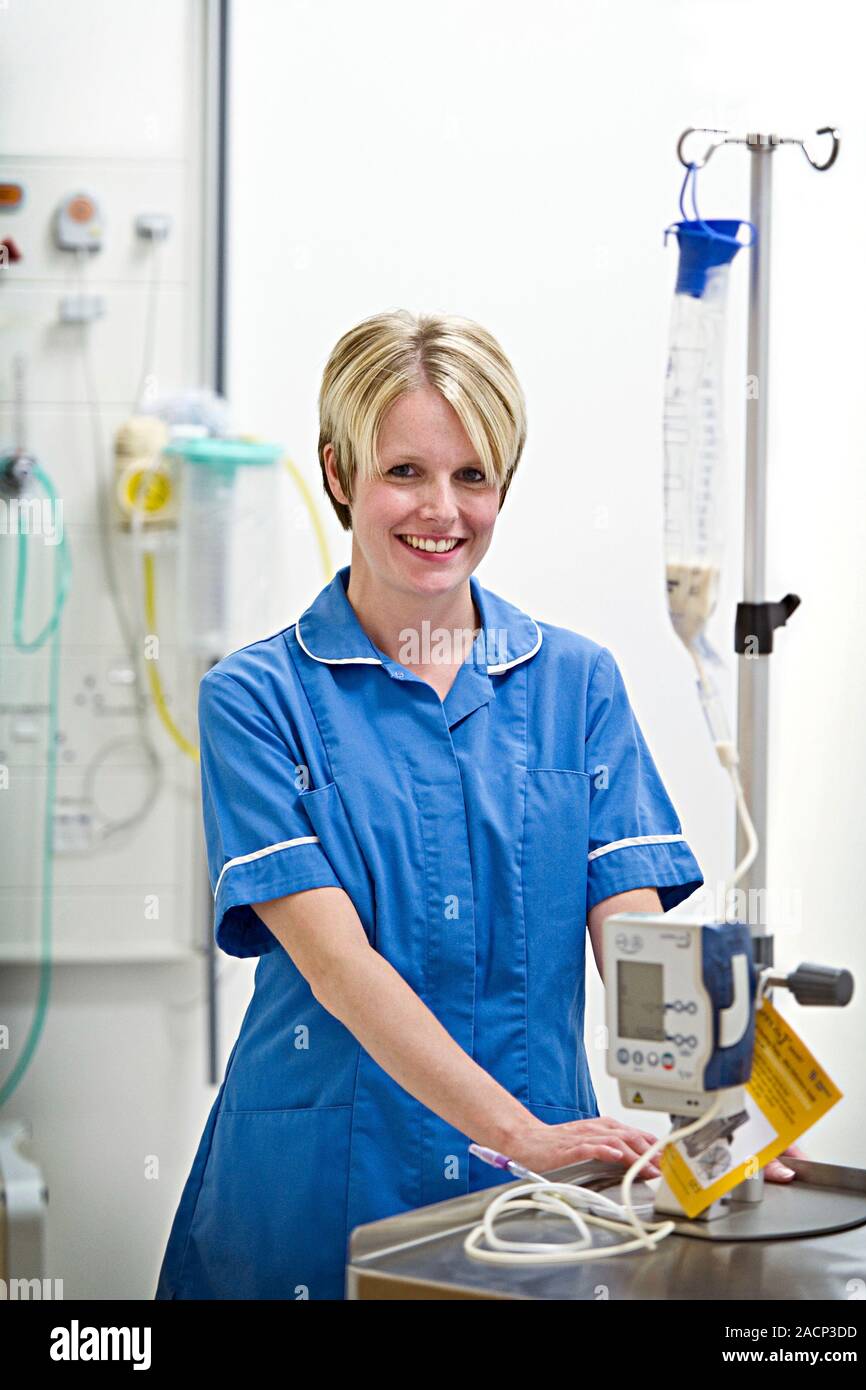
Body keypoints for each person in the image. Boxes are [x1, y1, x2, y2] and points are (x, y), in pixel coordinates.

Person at [155, 309, 794, 1302]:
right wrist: (513, 1133)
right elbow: (336, 965)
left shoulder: (574, 684)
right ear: (338, 473)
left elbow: (633, 943)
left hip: (555, 1179)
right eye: (403, 471)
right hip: (325, 1186)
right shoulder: (256, 697)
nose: (440, 509)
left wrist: (714, 1112)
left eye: (473, 476)